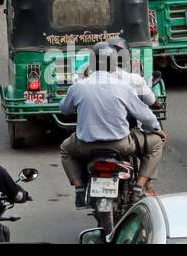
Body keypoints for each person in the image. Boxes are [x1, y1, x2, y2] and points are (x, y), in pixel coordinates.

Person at [59, 42, 166, 200]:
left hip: (84, 146)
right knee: (156, 143)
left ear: (92, 62)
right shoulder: (124, 87)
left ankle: (79, 189)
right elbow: (145, 115)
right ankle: (139, 187)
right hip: (121, 145)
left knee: (65, 150)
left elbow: (64, 109)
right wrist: (157, 130)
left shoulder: (78, 86)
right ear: (115, 64)